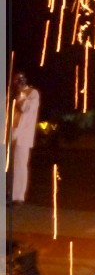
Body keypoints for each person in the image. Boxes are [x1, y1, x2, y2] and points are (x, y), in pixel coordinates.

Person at [10, 72, 40, 205]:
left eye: (19, 81)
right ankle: (8, 192)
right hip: (10, 134)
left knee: (20, 166)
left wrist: (21, 96)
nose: (17, 84)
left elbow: (26, 108)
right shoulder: (13, 95)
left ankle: (18, 197)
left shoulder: (32, 93)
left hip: (23, 136)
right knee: (9, 166)